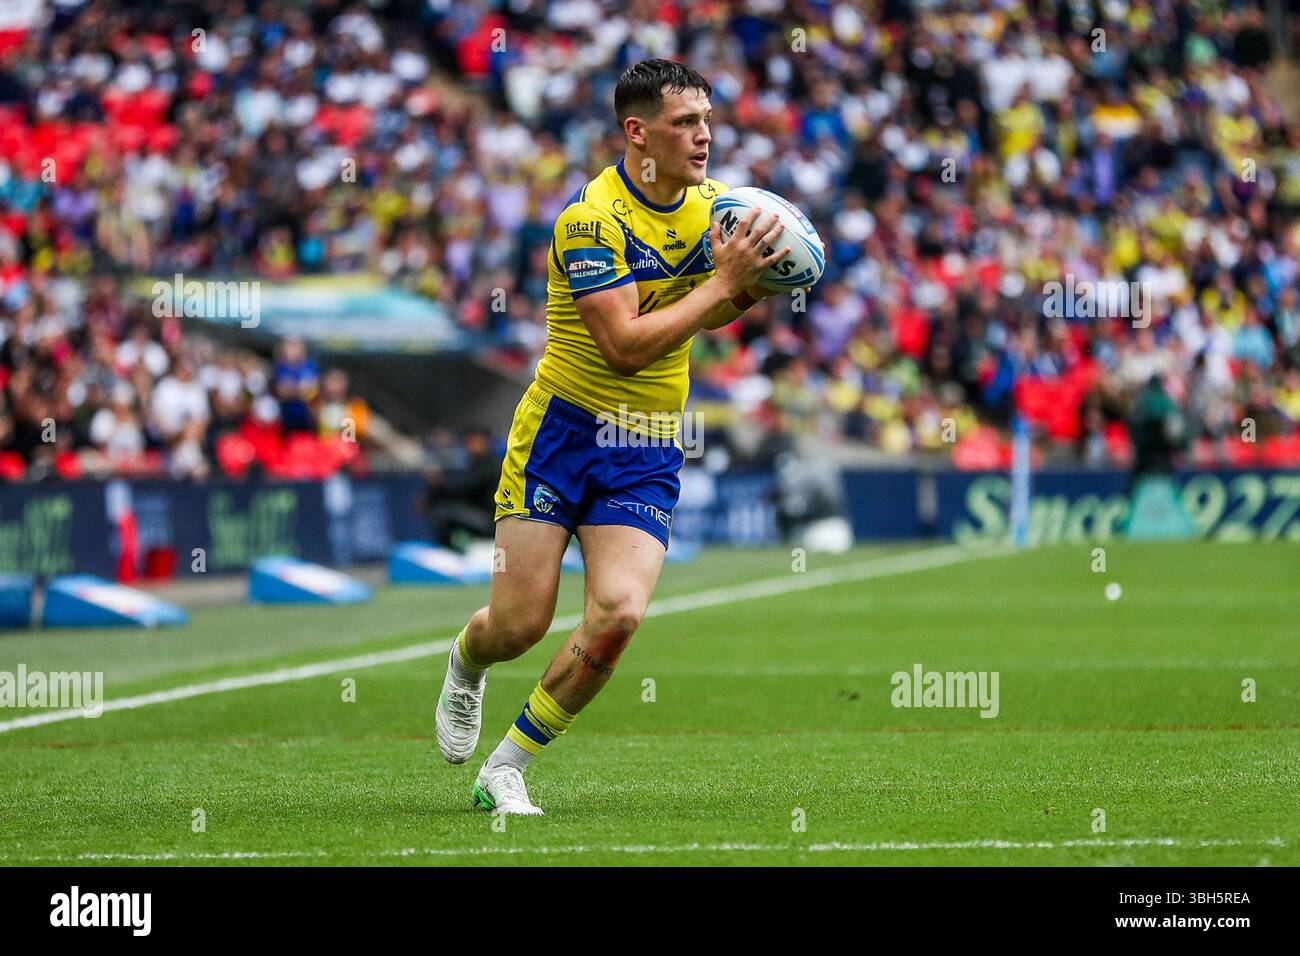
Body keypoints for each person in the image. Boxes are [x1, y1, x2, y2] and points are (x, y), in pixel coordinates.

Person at [434, 58, 796, 815]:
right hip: (561, 432)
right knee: (520, 625)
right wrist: (725, 286)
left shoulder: (718, 211)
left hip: (651, 441)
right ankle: (469, 660)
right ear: (637, 132)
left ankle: (507, 766)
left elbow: (717, 312)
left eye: (707, 120)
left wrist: (762, 279)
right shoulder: (588, 221)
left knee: (621, 613)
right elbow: (625, 346)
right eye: (684, 124)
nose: (704, 137)